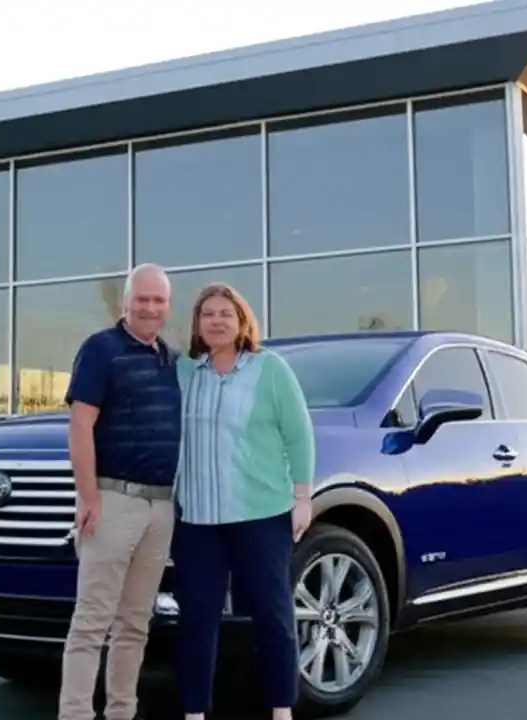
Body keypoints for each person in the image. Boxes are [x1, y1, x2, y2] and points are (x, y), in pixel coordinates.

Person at [171, 282, 315, 720]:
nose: (216, 320)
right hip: (197, 520)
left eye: (225, 314)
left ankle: (281, 710)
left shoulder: (269, 369)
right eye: (208, 314)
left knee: (273, 616)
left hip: (261, 515)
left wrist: (303, 497)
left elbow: (298, 433)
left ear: (242, 322)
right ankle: (194, 712)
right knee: (197, 619)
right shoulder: (183, 373)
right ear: (197, 323)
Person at [58, 263, 181, 720]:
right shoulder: (101, 350)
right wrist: (88, 497)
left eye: (159, 301)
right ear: (125, 302)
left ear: (168, 306)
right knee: (91, 622)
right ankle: (74, 713)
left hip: (161, 507)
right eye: (142, 299)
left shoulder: (171, 359)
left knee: (135, 624)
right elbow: (80, 424)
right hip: (114, 501)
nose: (150, 308)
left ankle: (121, 712)